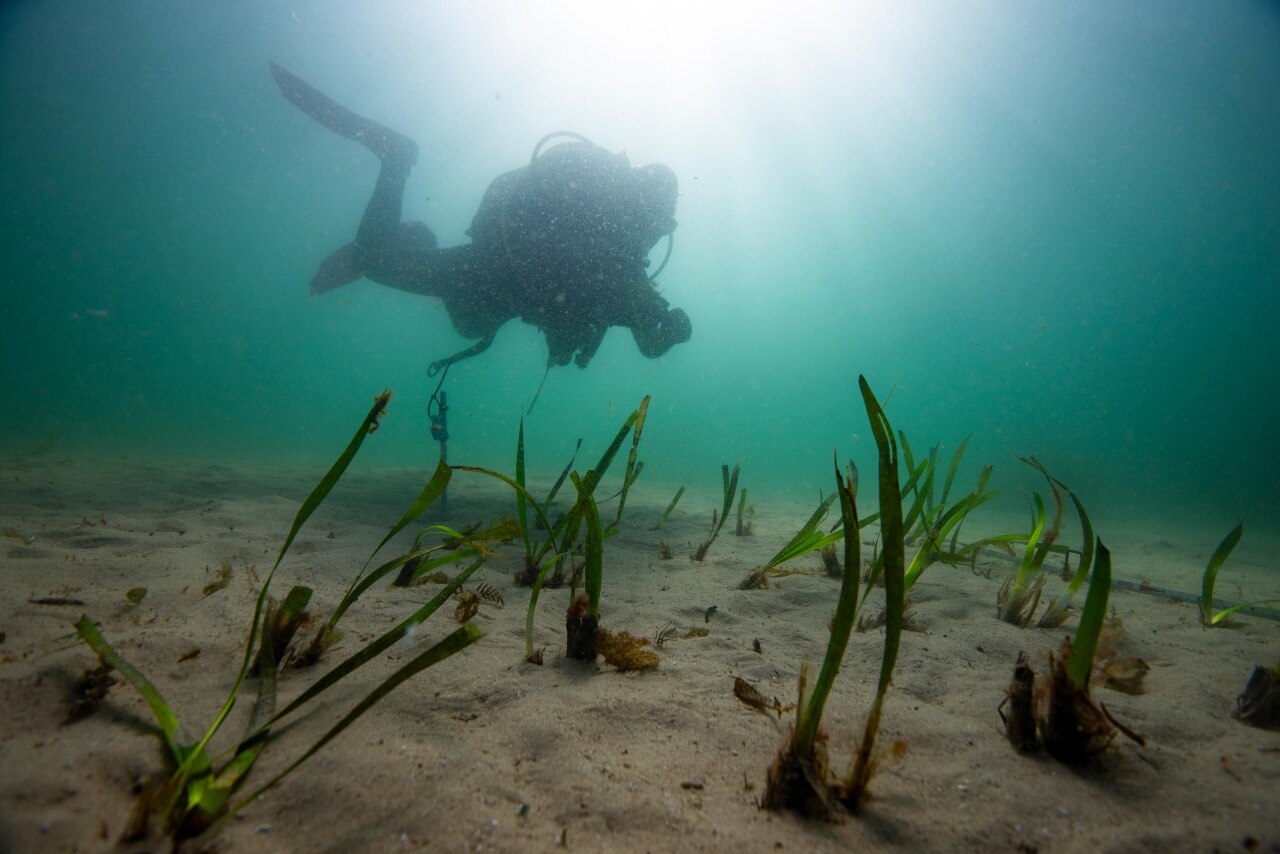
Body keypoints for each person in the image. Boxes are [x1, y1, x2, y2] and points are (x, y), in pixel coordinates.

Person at [270, 63, 693, 371]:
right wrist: (667, 327)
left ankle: (414, 237)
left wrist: (657, 323)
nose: (655, 234)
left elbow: (616, 308)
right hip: (487, 274)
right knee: (372, 261)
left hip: (496, 278)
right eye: (658, 224)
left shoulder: (613, 247)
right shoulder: (613, 256)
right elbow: (643, 332)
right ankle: (396, 159)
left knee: (468, 324)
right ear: (647, 212)